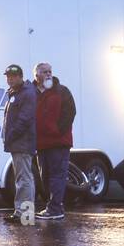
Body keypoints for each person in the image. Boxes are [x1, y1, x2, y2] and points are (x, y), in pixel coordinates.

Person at [34, 61, 77, 221]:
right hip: (41, 144)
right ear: (37, 76)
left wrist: (57, 130)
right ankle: (54, 206)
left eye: (50, 71)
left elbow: (71, 111)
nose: (48, 74)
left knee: (57, 176)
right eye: (44, 72)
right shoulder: (33, 93)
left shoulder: (62, 91)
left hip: (59, 143)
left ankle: (55, 209)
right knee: (45, 177)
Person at [1, 63, 37, 224]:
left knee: (24, 179)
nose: (10, 79)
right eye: (8, 76)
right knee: (21, 179)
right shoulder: (16, 92)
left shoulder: (27, 93)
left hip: (22, 143)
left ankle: (26, 215)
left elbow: (24, 119)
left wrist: (10, 135)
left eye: (13, 76)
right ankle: (21, 213)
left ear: (20, 77)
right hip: (18, 143)